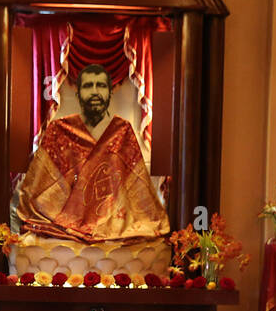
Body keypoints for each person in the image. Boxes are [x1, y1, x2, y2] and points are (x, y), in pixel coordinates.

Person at [15, 64, 169, 243]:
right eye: (88, 86)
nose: (95, 92)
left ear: (110, 92)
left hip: (113, 220)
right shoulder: (60, 131)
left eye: (101, 86)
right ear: (78, 93)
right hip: (65, 219)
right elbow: (38, 190)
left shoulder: (122, 131)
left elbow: (136, 188)